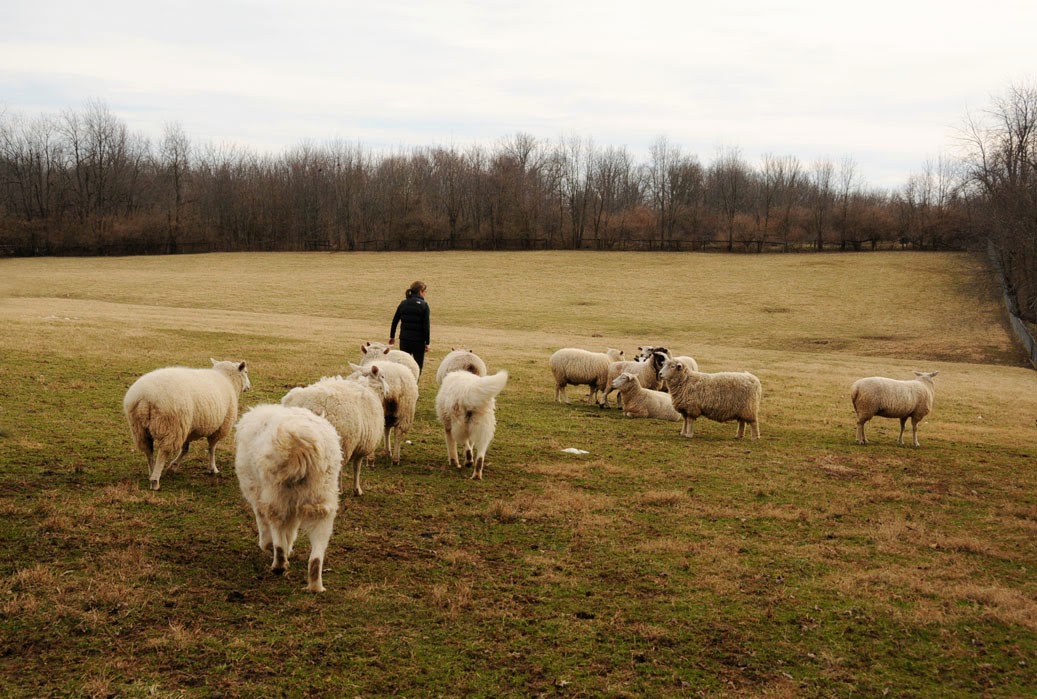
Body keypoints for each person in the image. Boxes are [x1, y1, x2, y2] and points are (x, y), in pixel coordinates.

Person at [389, 281, 431, 374]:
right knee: (417, 367)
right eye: (425, 291)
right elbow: (426, 326)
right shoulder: (424, 306)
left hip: (404, 339)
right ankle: (414, 385)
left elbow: (395, 321)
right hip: (418, 341)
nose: (425, 294)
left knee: (403, 366)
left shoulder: (403, 303)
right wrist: (427, 342)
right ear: (421, 291)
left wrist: (392, 336)